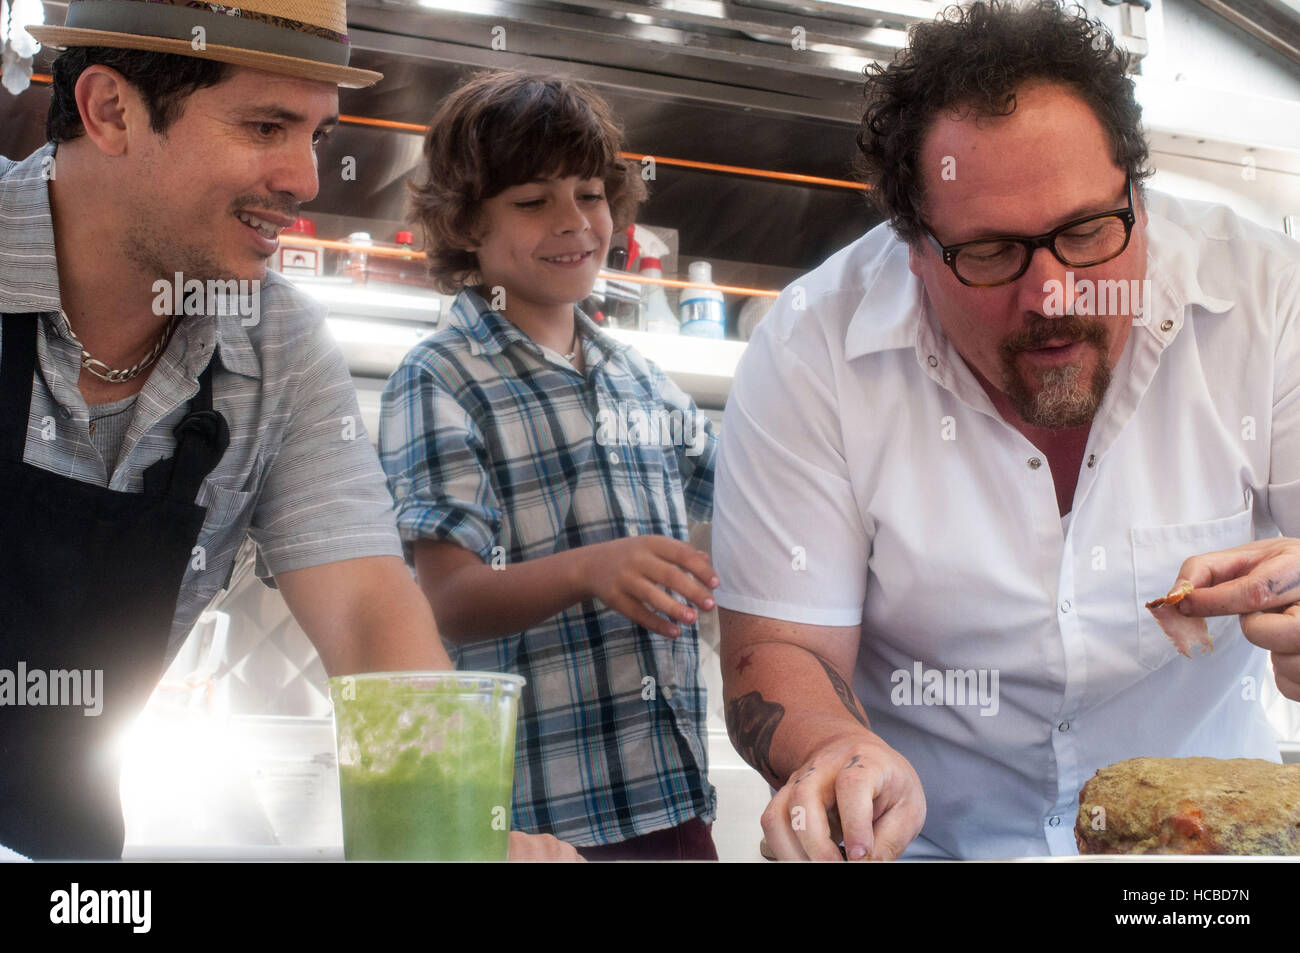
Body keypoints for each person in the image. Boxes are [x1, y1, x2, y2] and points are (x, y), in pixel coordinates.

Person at [712, 0, 1300, 861]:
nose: (1055, 295)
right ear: (912, 248)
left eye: (1088, 231)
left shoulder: (1269, 303)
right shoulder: (813, 349)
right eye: (990, 253)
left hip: (1194, 868)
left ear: (1136, 194)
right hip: (931, 848)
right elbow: (780, 646)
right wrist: (837, 750)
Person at [1, 0, 575, 861]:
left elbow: (368, 607)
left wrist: (455, 835)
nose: (305, 179)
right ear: (110, 110)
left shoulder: (278, 346)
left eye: (313, 134)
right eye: (266, 125)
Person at [379, 71, 722, 860]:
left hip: (672, 801)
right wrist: (591, 569)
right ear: (466, 222)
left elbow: (757, 502)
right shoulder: (441, 375)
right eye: (533, 202)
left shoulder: (641, 378)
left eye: (591, 194)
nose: (574, 222)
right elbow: (449, 601)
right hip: (539, 823)